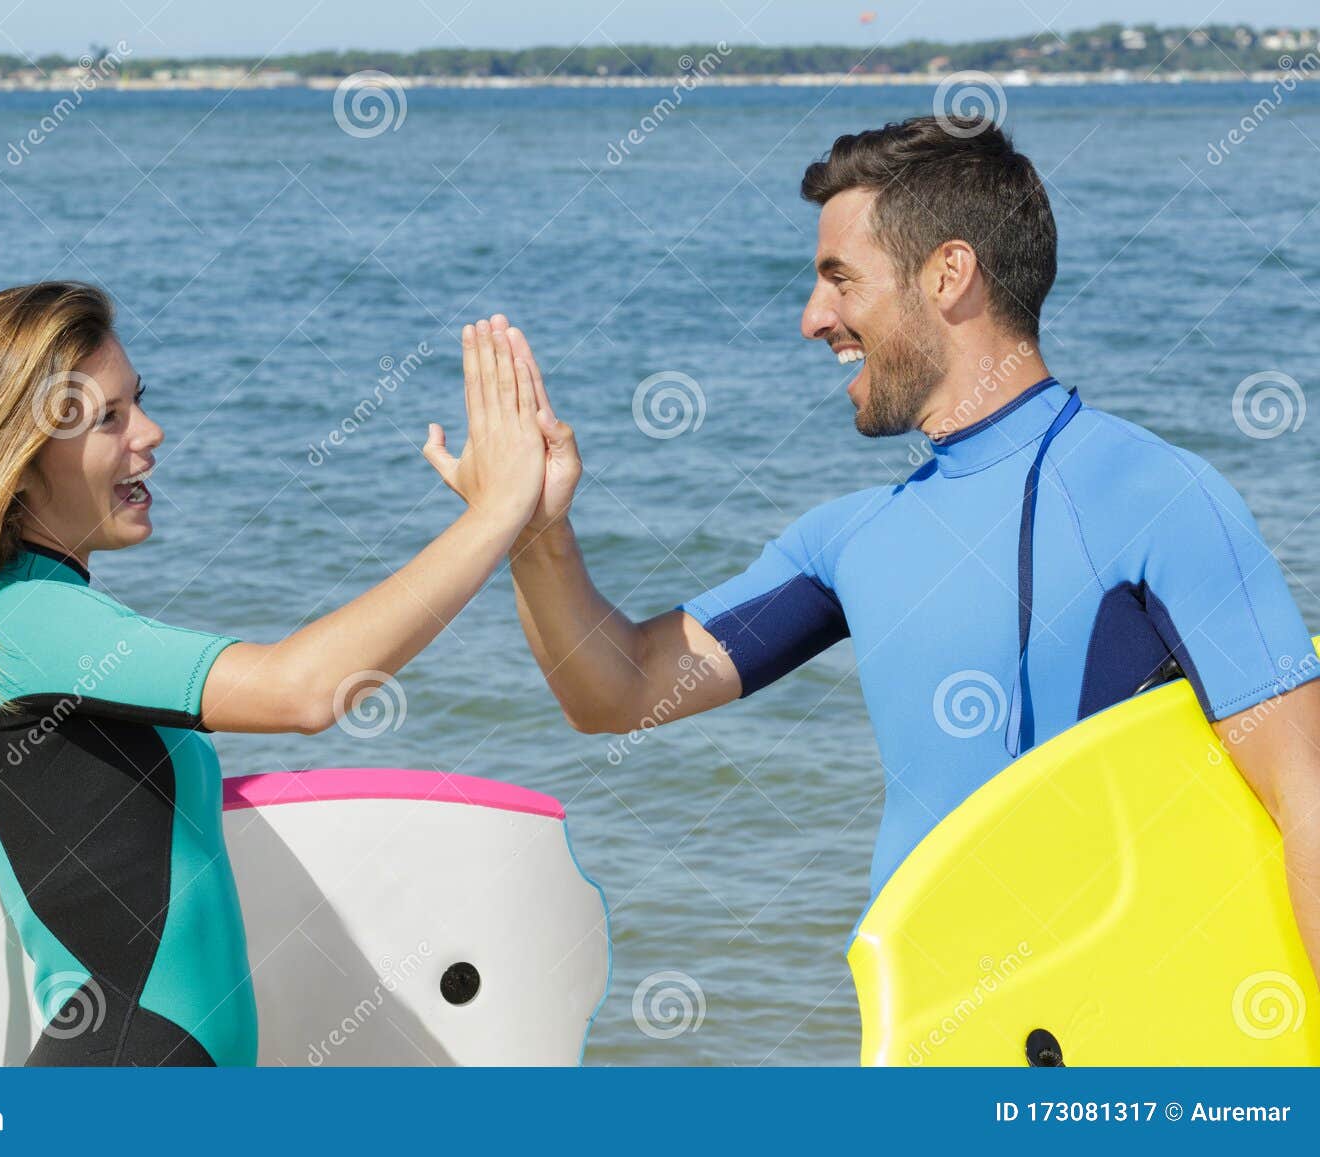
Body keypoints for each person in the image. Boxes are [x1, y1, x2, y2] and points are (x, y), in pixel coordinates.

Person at [447, 115, 1320, 981]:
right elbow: (619, 689)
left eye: (839, 279)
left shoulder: (1152, 495)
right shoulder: (848, 538)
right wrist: (533, 529)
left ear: (948, 274)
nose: (810, 318)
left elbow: (1303, 793)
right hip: (915, 1047)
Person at [0, 282, 543, 1065]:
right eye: (107, 419)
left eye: (138, 402)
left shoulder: (19, 619)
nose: (149, 434)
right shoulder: (23, 624)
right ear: (14, 463)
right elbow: (303, 689)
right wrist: (497, 512)